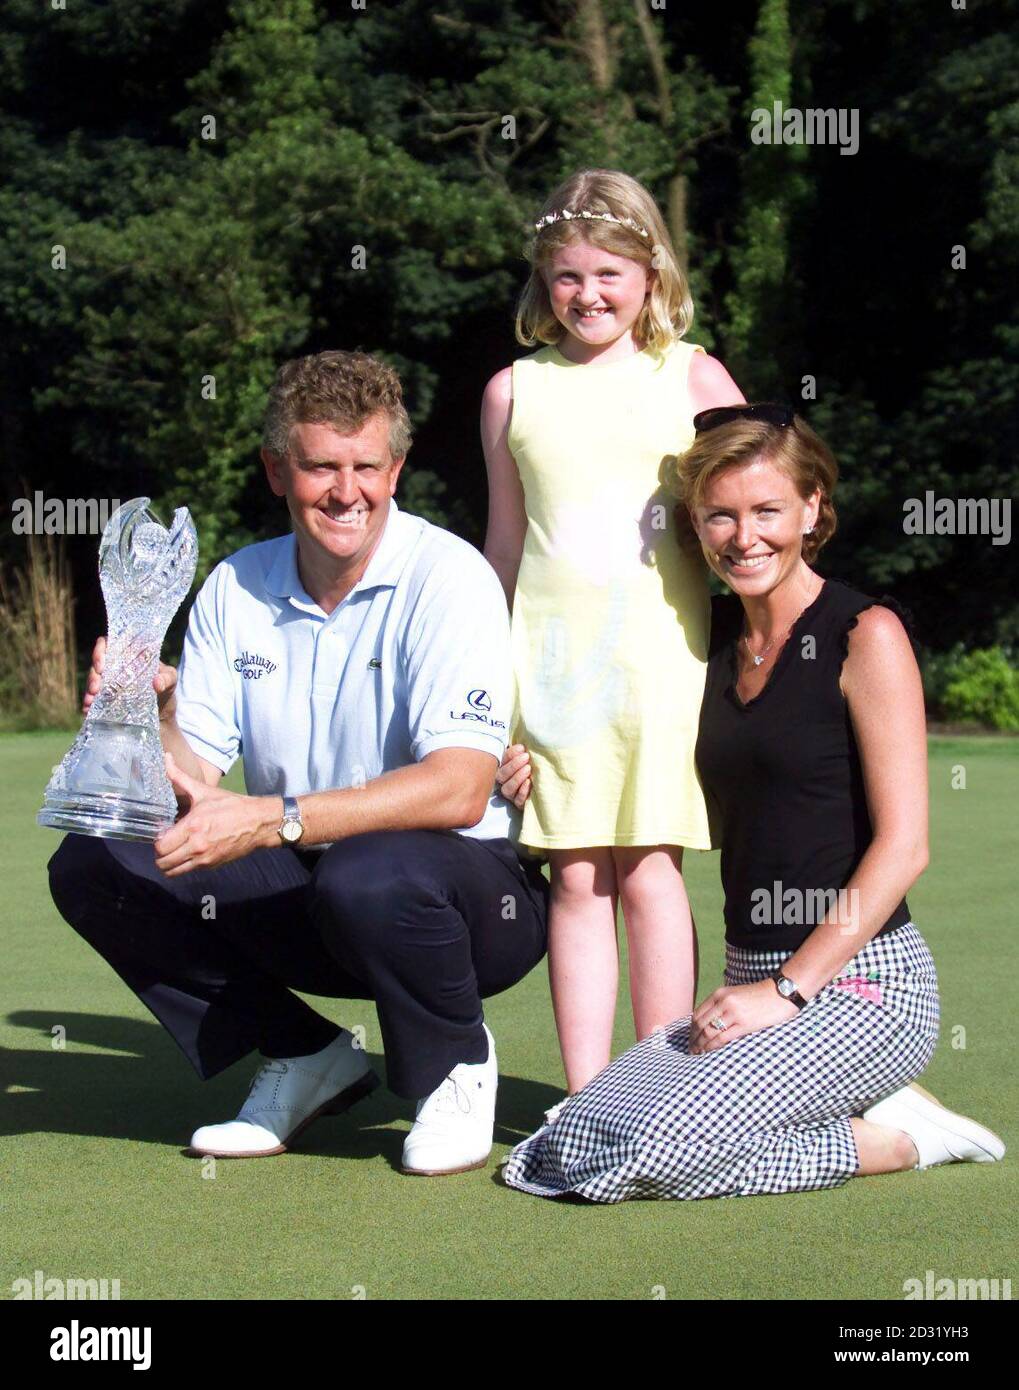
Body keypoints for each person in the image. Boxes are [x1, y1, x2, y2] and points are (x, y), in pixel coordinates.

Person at [47, 350, 548, 1177]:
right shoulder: (237, 584)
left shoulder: (449, 576)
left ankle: (453, 1064)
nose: (344, 491)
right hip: (310, 885)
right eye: (320, 466)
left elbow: (459, 789)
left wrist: (274, 819)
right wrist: (148, 713)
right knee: (96, 861)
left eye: (365, 467)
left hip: (467, 902)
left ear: (396, 468)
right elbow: (189, 776)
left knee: (367, 871)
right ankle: (303, 1053)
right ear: (277, 470)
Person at [497, 403, 1004, 1202]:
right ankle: (832, 1107)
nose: (743, 537)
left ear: (811, 510)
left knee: (643, 1152)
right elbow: (616, 741)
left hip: (861, 987)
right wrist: (528, 756)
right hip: (745, 982)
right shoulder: (706, 649)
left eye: (767, 511)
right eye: (719, 516)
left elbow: (904, 846)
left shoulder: (863, 633)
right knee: (570, 1135)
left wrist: (788, 990)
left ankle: (904, 1138)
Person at [482, 168, 745, 1094]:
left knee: (648, 868)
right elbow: (503, 549)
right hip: (547, 668)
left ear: (649, 273)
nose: (587, 294)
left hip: (662, 659)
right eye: (566, 276)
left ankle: (661, 1088)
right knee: (577, 877)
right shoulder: (512, 392)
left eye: (608, 274)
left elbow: (749, 511)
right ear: (541, 282)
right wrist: (487, 705)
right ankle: (587, 1100)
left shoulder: (697, 374)